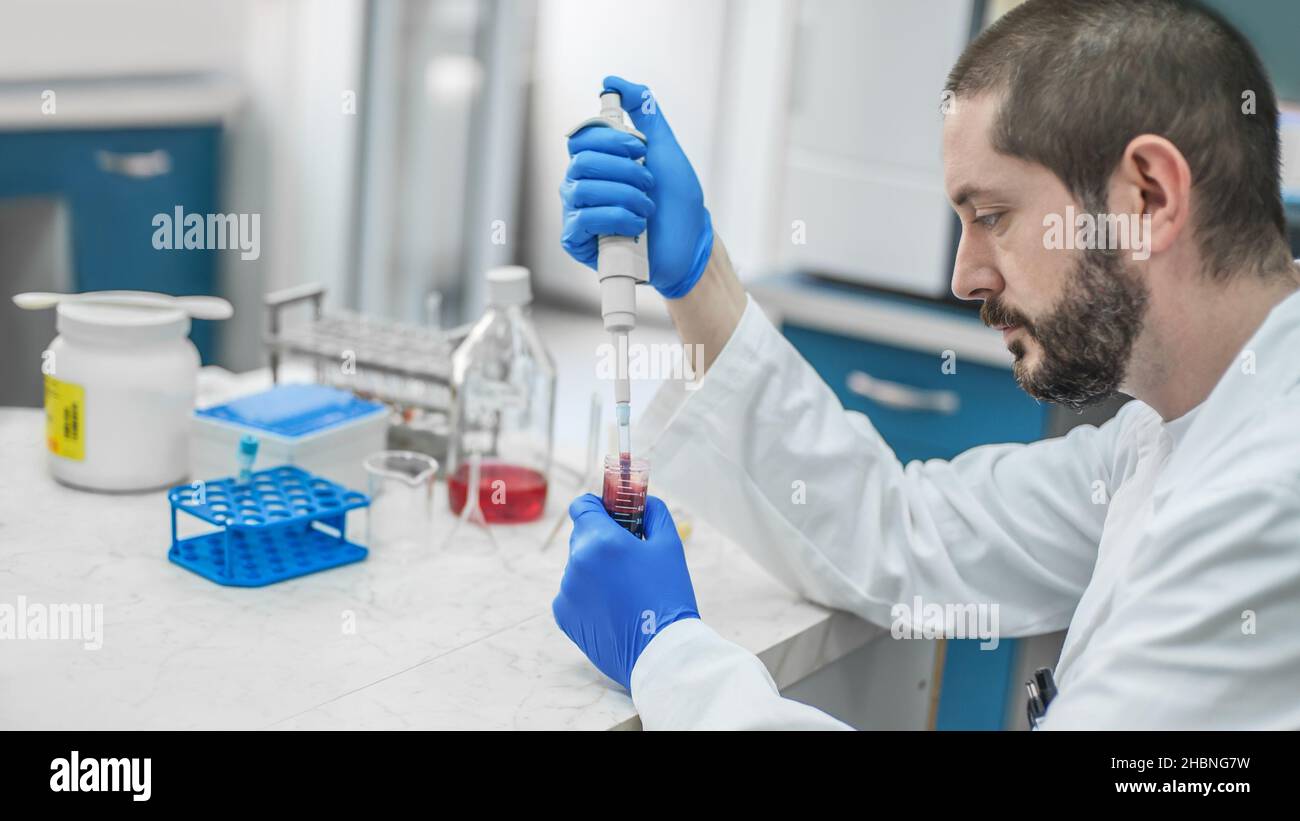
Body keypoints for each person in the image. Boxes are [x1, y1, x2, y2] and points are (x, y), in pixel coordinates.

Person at [552, 0, 1300, 729]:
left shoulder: (1269, 492)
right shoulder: (1176, 429)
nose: (965, 276)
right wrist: (696, 274)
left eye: (992, 216)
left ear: (1148, 196)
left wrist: (670, 653)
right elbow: (906, 532)